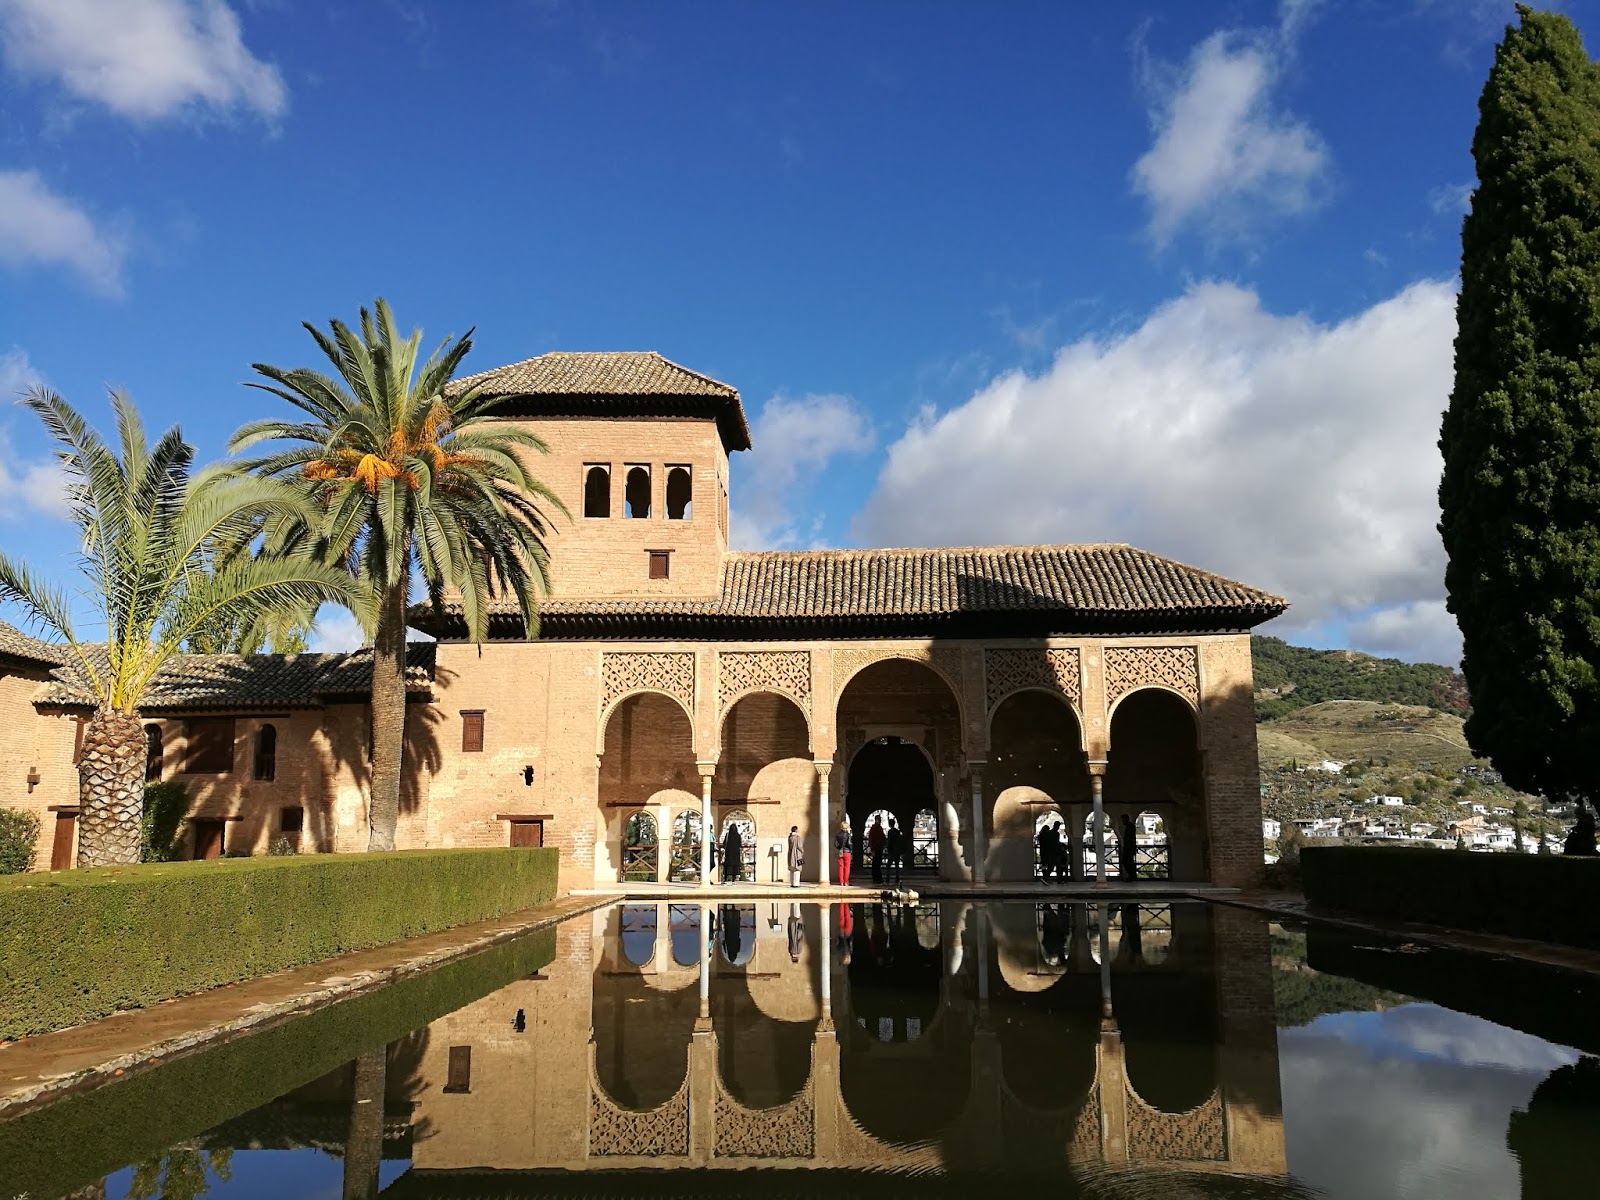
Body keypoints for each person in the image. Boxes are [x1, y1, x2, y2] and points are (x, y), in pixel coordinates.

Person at [867, 816, 887, 885]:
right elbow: (872, 839)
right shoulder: (876, 828)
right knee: (877, 864)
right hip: (877, 848)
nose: (880, 821)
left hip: (878, 848)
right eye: (879, 819)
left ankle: (876, 878)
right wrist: (872, 849)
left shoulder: (875, 828)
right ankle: (878, 878)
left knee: (876, 863)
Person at [835, 818, 853, 886]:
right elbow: (849, 843)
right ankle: (846, 881)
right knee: (847, 867)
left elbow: (835, 844)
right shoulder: (848, 835)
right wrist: (851, 849)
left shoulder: (838, 834)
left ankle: (841, 882)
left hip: (840, 852)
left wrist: (839, 848)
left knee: (841, 867)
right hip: (847, 852)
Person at [886, 818, 904, 885]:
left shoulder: (890, 832)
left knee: (888, 865)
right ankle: (897, 878)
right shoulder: (897, 831)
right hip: (897, 850)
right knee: (897, 865)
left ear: (889, 824)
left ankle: (888, 878)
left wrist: (888, 848)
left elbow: (889, 841)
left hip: (892, 850)